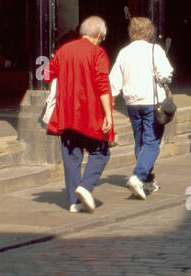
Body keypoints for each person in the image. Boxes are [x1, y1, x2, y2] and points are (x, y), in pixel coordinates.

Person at [45, 15, 114, 212]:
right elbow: (103, 85)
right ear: (98, 35)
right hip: (90, 114)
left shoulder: (64, 50)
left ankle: (73, 202)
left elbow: (48, 74)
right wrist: (108, 114)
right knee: (100, 151)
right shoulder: (98, 53)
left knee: (71, 156)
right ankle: (85, 187)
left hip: (67, 113)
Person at [108, 16, 173, 200]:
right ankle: (138, 176)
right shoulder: (155, 50)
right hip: (152, 100)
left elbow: (114, 80)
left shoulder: (124, 52)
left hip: (132, 103)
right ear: (150, 31)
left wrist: (111, 98)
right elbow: (166, 73)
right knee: (152, 142)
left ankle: (148, 179)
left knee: (140, 141)